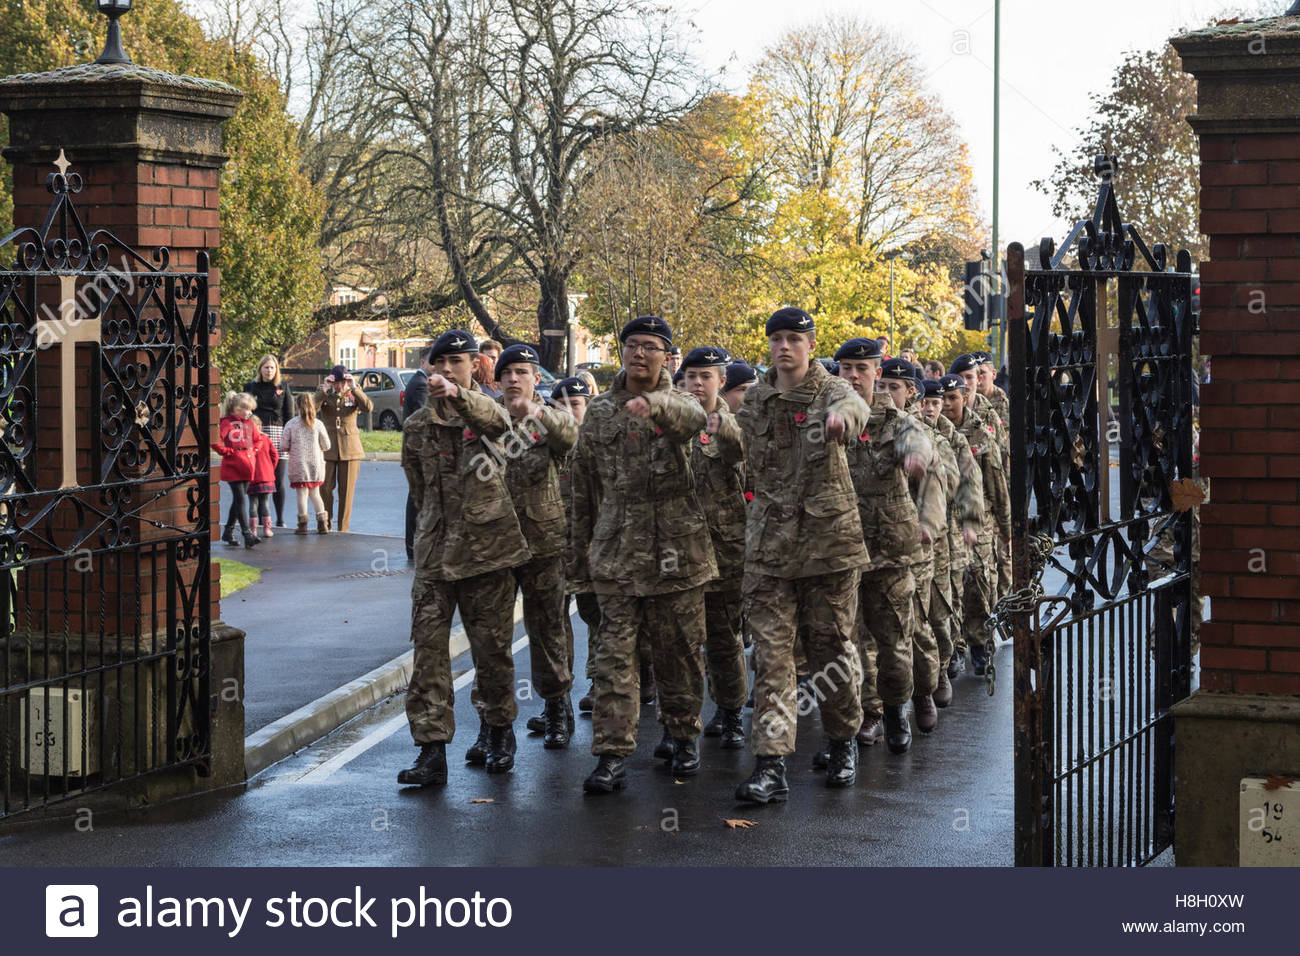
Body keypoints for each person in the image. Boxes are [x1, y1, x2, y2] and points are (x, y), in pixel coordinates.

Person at [570, 315, 717, 793]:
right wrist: (579, 567)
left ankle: (683, 735)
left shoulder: (682, 401)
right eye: (633, 345)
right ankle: (611, 755)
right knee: (614, 659)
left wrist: (652, 404)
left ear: (667, 356)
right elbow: (583, 491)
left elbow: (691, 422)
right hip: (616, 555)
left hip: (677, 553)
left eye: (651, 347)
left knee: (679, 655)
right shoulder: (598, 412)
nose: (640, 354)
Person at [733, 308, 869, 804]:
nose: (784, 347)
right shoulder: (756, 398)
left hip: (828, 546)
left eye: (794, 338)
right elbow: (734, 444)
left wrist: (840, 421)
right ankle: (771, 765)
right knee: (771, 657)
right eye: (777, 339)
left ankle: (841, 741)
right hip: (769, 548)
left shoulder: (831, 389)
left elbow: (856, 408)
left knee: (831, 651)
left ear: (811, 345)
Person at [398, 330, 530, 787]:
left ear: (475, 366)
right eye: (443, 362)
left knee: (492, 652)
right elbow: (417, 487)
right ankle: (431, 751)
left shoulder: (489, 409)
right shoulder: (417, 427)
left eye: (460, 361)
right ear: (432, 367)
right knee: (428, 655)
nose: (450, 368)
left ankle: (498, 732)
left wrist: (459, 397)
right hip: (435, 555)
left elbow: (502, 426)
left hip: (488, 552)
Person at [834, 344, 930, 755]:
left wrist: (915, 460)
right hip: (836, 548)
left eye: (862, 369)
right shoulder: (826, 417)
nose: (853, 376)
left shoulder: (897, 421)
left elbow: (918, 445)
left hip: (888, 551)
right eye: (846, 368)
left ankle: (895, 708)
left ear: (876, 373)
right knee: (843, 646)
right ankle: (855, 722)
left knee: (892, 642)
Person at [492, 344, 579, 748]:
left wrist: (536, 413)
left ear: (536, 378)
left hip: (543, 543)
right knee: (490, 638)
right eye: (507, 372)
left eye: (522, 371)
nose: (513, 378)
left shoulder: (549, 417)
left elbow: (569, 434)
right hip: (491, 544)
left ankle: (557, 709)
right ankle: (493, 726)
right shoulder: (488, 417)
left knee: (547, 630)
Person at [680, 345, 749, 750]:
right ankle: (682, 724)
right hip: (679, 547)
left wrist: (718, 423)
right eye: (691, 376)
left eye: (706, 376)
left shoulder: (734, 423)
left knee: (724, 638)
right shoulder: (673, 422)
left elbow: (739, 452)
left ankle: (731, 711)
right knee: (680, 642)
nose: (697, 383)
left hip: (724, 548)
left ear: (721, 381)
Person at [940, 372, 1009, 676]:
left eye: (952, 398)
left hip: (977, 516)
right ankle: (955, 648)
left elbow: (996, 483)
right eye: (941, 398)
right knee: (950, 587)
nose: (945, 404)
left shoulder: (980, 434)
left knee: (980, 581)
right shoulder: (929, 431)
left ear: (963, 398)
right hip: (942, 518)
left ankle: (981, 643)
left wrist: (1007, 529)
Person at [551, 376, 601, 713]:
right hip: (553, 547)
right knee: (554, 622)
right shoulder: (545, 445)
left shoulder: (598, 447)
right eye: (563, 405)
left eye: (576, 404)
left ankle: (600, 683)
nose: (569, 411)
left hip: (592, 546)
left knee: (597, 617)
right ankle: (558, 696)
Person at [315, 364, 373, 533]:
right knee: (325, 489)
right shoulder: (324, 392)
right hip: (327, 447)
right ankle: (326, 524)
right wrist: (324, 390)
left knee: (346, 492)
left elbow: (368, 407)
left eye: (342, 382)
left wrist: (354, 388)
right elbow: (310, 409)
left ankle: (343, 529)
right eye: (336, 383)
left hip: (350, 448)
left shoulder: (354, 391)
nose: (339, 386)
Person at [244, 355, 294, 529]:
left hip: (279, 434)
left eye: (272, 367)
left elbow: (289, 415)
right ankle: (259, 520)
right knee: (259, 479)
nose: (269, 371)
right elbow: (245, 409)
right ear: (260, 369)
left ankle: (280, 519)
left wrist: (289, 438)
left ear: (276, 369)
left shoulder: (283, 387)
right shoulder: (251, 387)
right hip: (257, 434)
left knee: (278, 480)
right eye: (266, 367)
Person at [279, 392, 333, 534]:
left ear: (296, 406)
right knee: (316, 494)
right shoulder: (318, 424)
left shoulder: (291, 424)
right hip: (316, 465)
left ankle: (302, 525)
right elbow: (327, 445)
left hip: (298, 466)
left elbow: (283, 446)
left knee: (302, 495)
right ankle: (323, 524)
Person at [215, 392, 262, 549]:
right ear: (236, 408)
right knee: (241, 498)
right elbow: (215, 442)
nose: (249, 413)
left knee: (238, 500)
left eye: (250, 410)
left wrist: (254, 450)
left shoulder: (249, 423)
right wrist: (227, 452)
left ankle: (228, 531)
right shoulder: (227, 423)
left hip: (248, 465)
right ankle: (247, 533)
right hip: (233, 466)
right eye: (246, 409)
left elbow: (258, 439)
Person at [403, 346, 433, 560]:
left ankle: (413, 545)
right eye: (433, 362)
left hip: (418, 446)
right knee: (417, 498)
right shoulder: (421, 385)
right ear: (423, 362)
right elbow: (426, 417)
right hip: (421, 447)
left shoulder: (419, 382)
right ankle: (413, 546)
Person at [248, 419, 280, 539]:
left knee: (253, 504)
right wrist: (270, 468)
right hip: (266, 477)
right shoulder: (266, 439)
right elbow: (275, 456)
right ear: (260, 427)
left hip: (251, 478)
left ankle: (253, 530)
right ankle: (267, 529)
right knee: (265, 503)